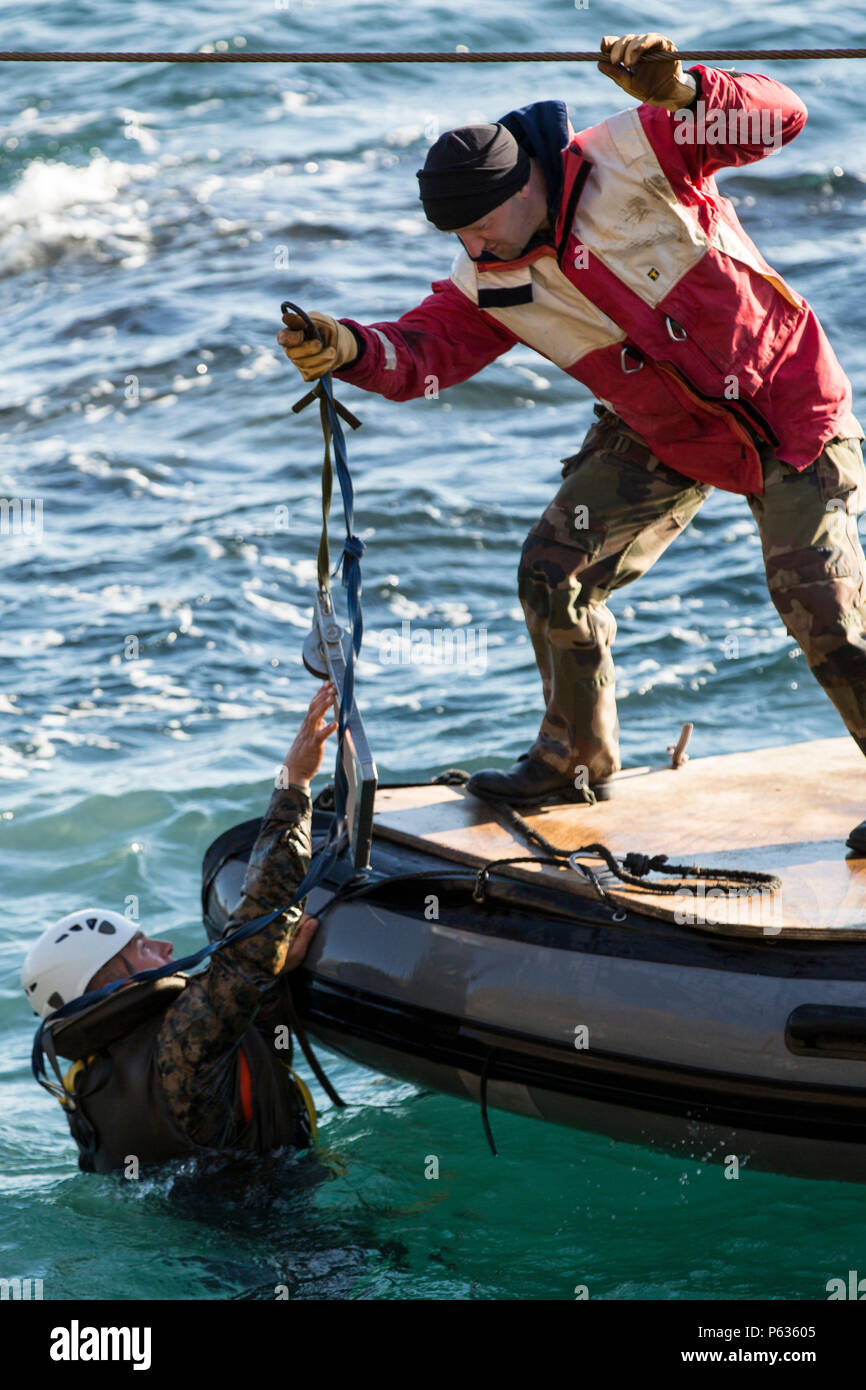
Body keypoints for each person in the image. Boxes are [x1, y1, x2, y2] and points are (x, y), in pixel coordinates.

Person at [276, 32, 866, 841]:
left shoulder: (636, 149)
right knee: (554, 570)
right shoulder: (489, 275)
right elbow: (420, 356)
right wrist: (347, 349)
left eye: (481, 227)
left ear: (525, 184)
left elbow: (783, 117)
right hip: (664, 434)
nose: (474, 250)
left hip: (791, 407)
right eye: (459, 239)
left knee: (822, 607)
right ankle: (575, 760)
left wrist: (686, 93)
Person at [22, 682, 338, 1174]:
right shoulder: (179, 1037)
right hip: (282, 1233)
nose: (166, 944)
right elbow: (256, 929)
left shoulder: (89, 1087)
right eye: (141, 945)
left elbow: (227, 1051)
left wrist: (270, 979)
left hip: (212, 1237)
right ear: (111, 978)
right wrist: (294, 782)